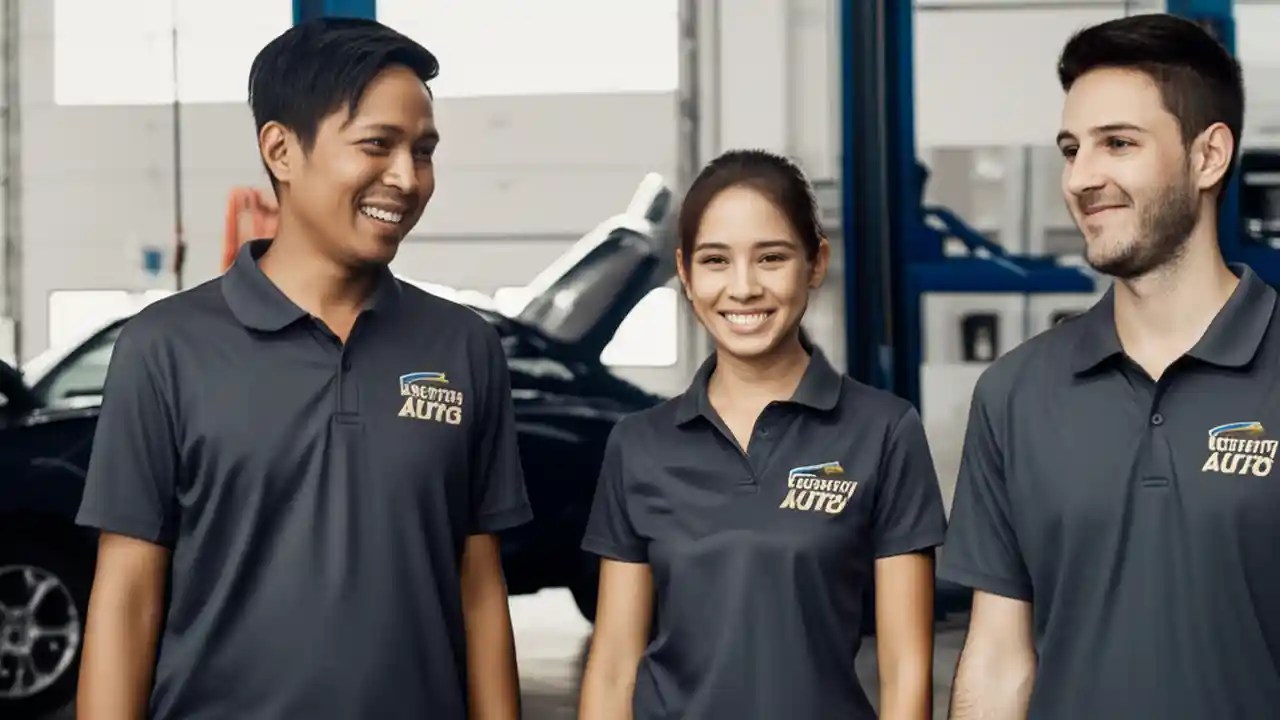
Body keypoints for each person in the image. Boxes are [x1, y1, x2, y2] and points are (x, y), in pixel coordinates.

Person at [74, 18, 530, 720]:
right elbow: (128, 593)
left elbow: (478, 585)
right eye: (378, 145)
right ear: (282, 149)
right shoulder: (165, 349)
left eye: (425, 151)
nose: (407, 178)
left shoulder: (464, 348)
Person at [940, 13, 1277, 719]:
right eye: (1071, 149)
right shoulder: (1016, 394)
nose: (1082, 178)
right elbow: (1000, 657)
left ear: (1209, 156)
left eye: (1117, 144)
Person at [578, 149, 947, 720]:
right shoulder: (638, 444)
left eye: (771, 257)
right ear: (685, 272)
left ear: (815, 263)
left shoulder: (882, 431)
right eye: (716, 260)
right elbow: (613, 668)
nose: (743, 288)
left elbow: (906, 671)